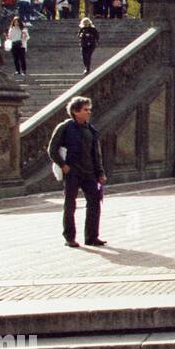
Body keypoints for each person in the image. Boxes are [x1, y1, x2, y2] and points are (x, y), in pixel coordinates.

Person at [47, 95, 107, 248]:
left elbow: (96, 154)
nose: (89, 112)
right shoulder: (65, 127)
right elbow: (52, 149)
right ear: (75, 111)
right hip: (72, 172)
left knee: (95, 203)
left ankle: (92, 237)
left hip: (89, 173)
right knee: (70, 205)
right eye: (85, 109)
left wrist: (100, 173)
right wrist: (63, 165)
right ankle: (69, 237)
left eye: (89, 109)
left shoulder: (91, 130)